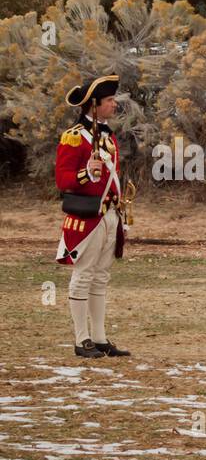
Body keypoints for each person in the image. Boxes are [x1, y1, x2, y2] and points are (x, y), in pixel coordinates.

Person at [56, 75, 129, 358]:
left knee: (101, 277)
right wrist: (86, 173)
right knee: (83, 276)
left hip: (109, 213)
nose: (114, 105)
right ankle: (81, 339)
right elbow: (62, 180)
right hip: (87, 216)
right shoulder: (74, 136)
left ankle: (99, 338)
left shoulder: (107, 135)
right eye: (109, 100)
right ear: (94, 105)